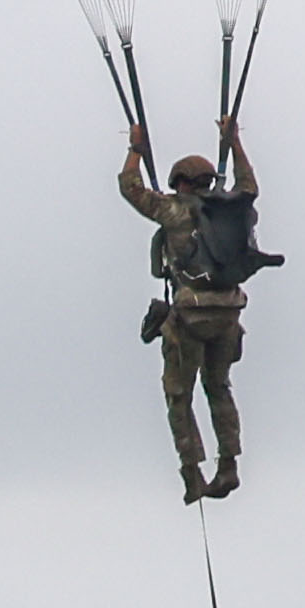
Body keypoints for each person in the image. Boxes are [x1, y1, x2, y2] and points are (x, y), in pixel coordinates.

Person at [120, 119, 275, 500]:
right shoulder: (231, 208)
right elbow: (249, 186)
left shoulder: (172, 211)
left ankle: (192, 473)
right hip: (228, 316)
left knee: (179, 394)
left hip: (190, 318)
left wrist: (135, 149)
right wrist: (235, 143)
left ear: (181, 183)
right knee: (219, 387)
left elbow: (130, 187)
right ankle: (229, 465)